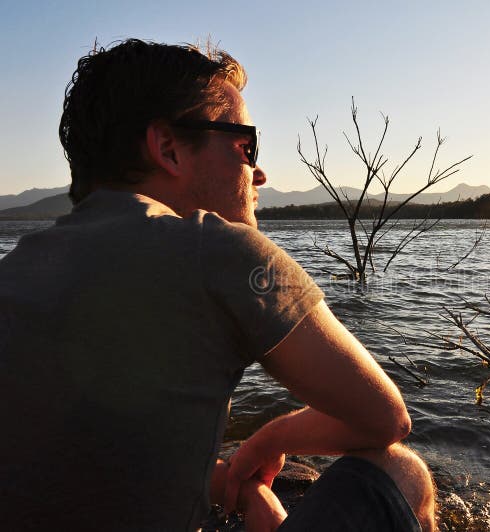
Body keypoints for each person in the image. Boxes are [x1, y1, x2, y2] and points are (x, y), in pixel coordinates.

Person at [0, 39, 435, 531]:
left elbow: (84, 450)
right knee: (402, 470)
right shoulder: (216, 248)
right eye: (245, 144)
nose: (259, 170)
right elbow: (384, 419)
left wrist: (229, 480)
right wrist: (271, 439)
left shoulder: (17, 271)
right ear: (169, 149)